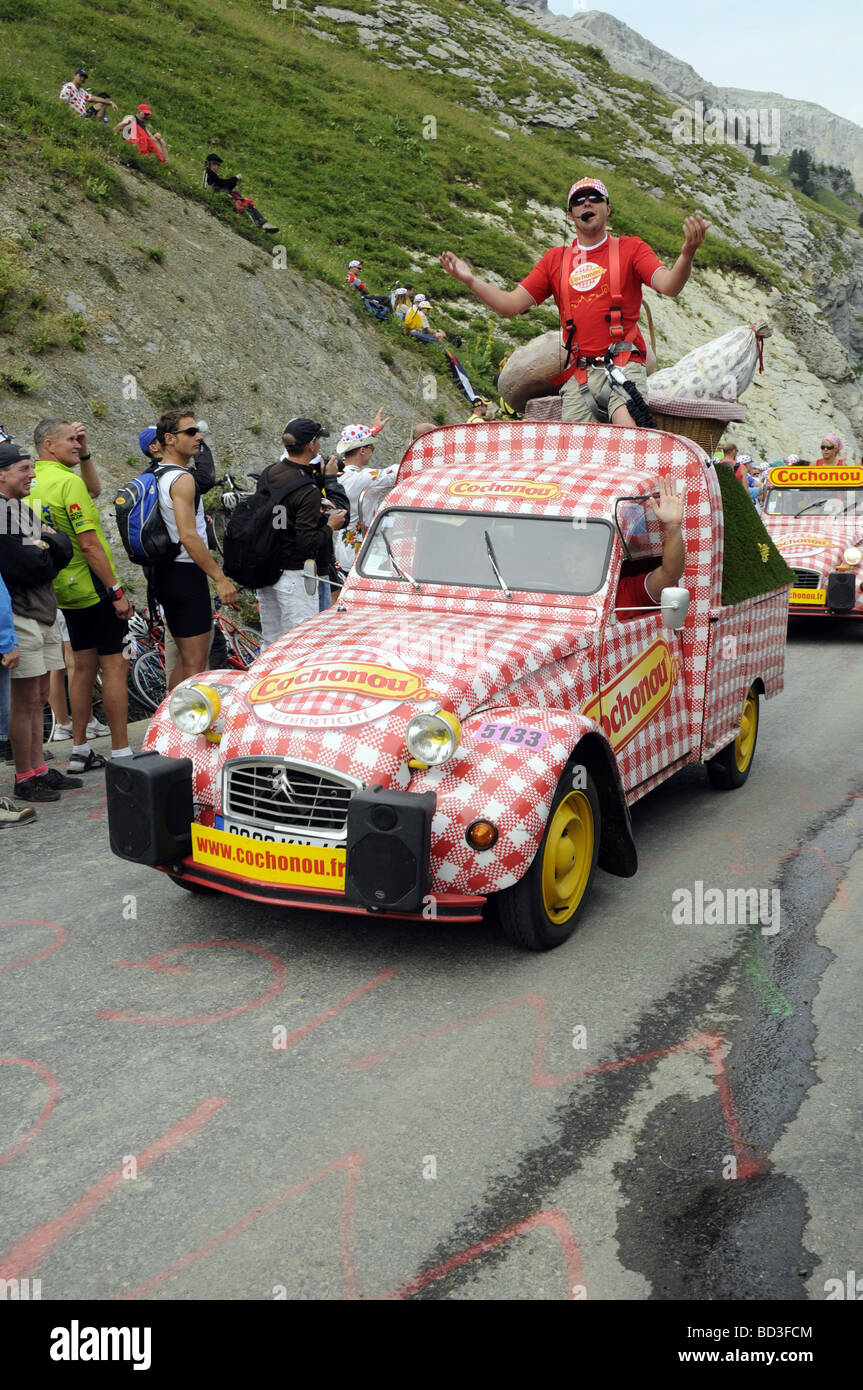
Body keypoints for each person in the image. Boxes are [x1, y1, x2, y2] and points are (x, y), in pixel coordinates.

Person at [441, 176, 711, 426]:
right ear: (571, 215)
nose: (587, 202)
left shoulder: (631, 248)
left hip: (623, 363)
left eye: (595, 197)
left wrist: (687, 254)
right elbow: (511, 305)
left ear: (608, 208)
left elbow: (669, 285)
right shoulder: (555, 260)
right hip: (579, 373)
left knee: (628, 437)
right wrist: (471, 280)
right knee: (580, 455)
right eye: (578, 200)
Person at [30, 420, 134, 773]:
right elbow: (89, 544)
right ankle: (121, 751)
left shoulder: (31, 482)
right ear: (49, 444)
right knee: (115, 666)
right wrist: (116, 591)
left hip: (61, 589)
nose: (77, 445)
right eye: (71, 441)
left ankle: (79, 749)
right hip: (93, 587)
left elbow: (94, 488)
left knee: (82, 668)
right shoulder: (67, 482)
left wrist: (85, 452)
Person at [0, 441, 81, 803]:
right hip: (23, 614)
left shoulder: (19, 510)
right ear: (2, 474)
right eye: (24, 469)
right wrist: (45, 546)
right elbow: (24, 566)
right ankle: (25, 775)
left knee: (38, 697)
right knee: (26, 699)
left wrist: (46, 544)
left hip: (43, 611)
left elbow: (63, 546)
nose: (33, 474)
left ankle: (40, 770)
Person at [148, 411, 237, 687]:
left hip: (163, 574)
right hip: (186, 573)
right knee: (196, 665)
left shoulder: (155, 474)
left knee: (187, 660)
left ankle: (171, 722)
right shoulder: (182, 479)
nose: (198, 437)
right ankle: (185, 728)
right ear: (170, 439)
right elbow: (188, 535)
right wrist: (220, 578)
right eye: (190, 432)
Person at [255, 419, 347, 646]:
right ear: (312, 446)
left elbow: (277, 517)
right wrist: (330, 526)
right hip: (294, 574)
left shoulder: (269, 474)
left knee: (271, 642)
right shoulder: (307, 489)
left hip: (267, 569)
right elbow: (306, 542)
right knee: (301, 644)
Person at [615, 478, 686, 620]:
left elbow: (669, 575)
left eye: (580, 559)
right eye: (568, 560)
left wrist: (672, 526)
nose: (573, 566)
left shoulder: (623, 592)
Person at [202, 155, 278, 233]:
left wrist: (234, 181)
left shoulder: (213, 175)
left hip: (219, 196)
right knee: (245, 203)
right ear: (208, 164)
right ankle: (261, 224)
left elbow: (225, 186)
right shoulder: (208, 172)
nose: (217, 166)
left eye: (218, 165)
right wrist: (235, 178)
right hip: (216, 198)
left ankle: (261, 224)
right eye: (215, 164)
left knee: (240, 197)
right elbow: (222, 183)